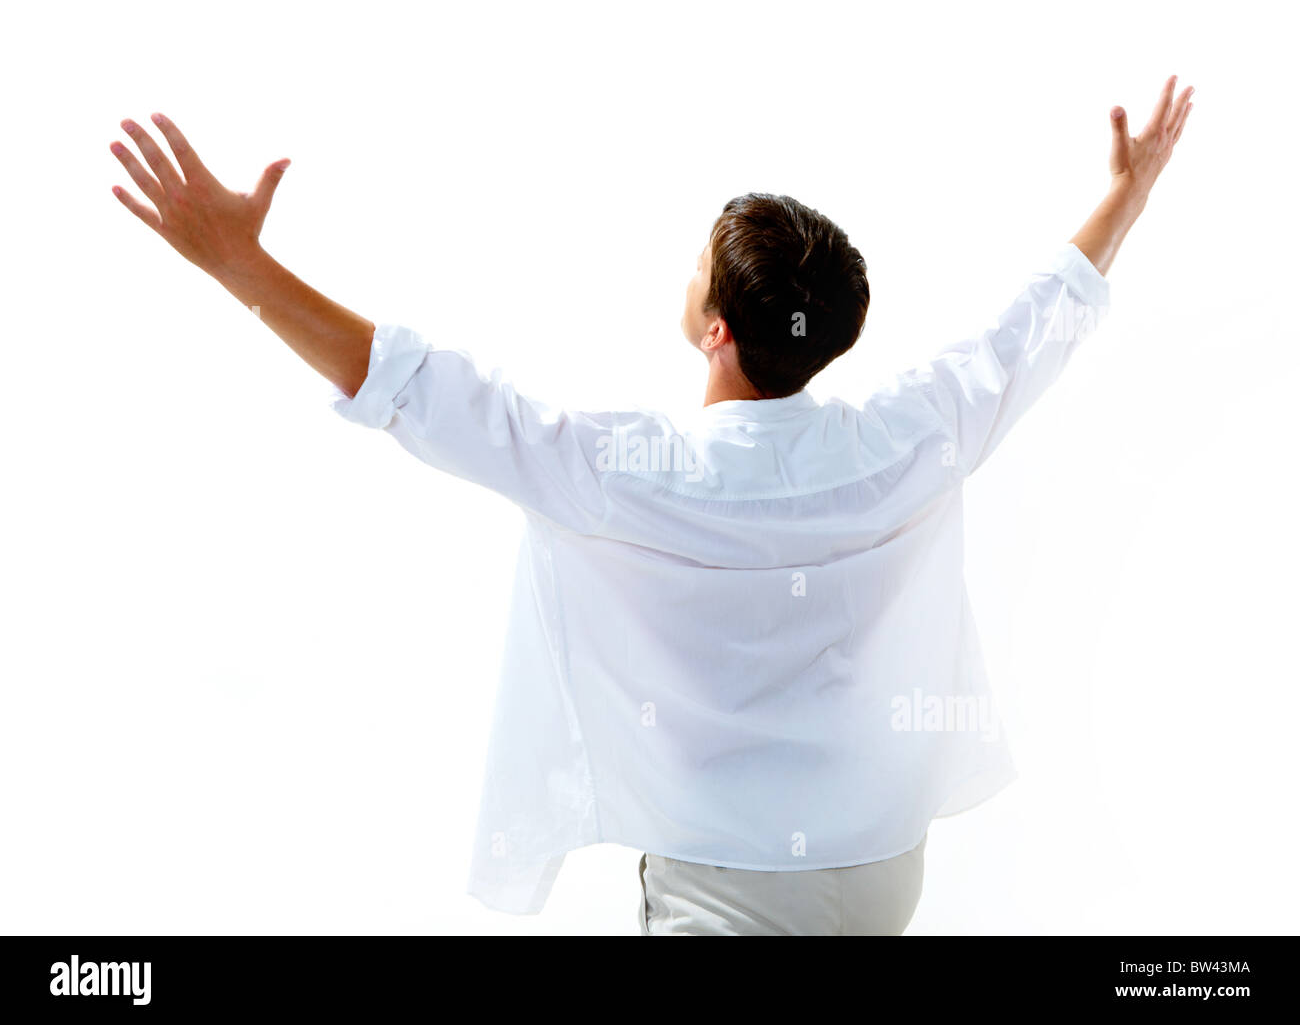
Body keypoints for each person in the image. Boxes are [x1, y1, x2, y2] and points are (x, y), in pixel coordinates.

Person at [109, 76, 1194, 936]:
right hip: (881, 873)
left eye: (696, 274)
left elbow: (409, 385)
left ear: (717, 327)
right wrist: (1129, 193)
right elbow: (1035, 323)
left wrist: (237, 263)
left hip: (724, 895)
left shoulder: (620, 467)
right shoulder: (912, 436)